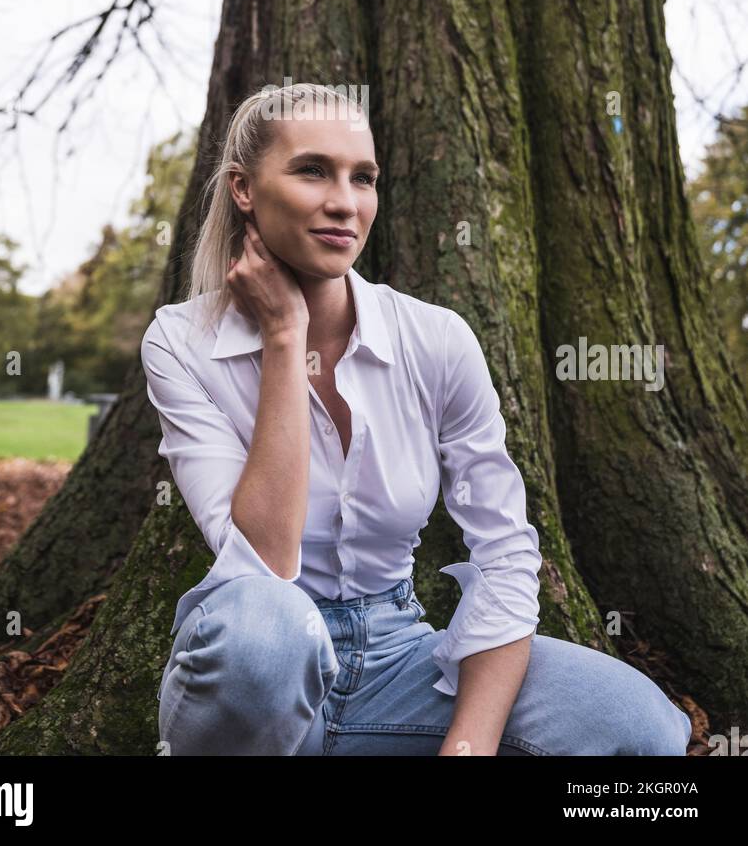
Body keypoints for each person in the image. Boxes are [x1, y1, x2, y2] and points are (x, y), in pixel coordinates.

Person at [142, 82, 692, 757]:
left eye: (363, 177)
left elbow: (505, 554)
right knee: (266, 630)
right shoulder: (181, 341)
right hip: (257, 675)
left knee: (638, 724)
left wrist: (468, 746)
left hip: (397, 663)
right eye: (312, 170)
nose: (345, 202)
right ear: (244, 188)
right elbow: (264, 562)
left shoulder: (436, 339)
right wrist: (285, 336)